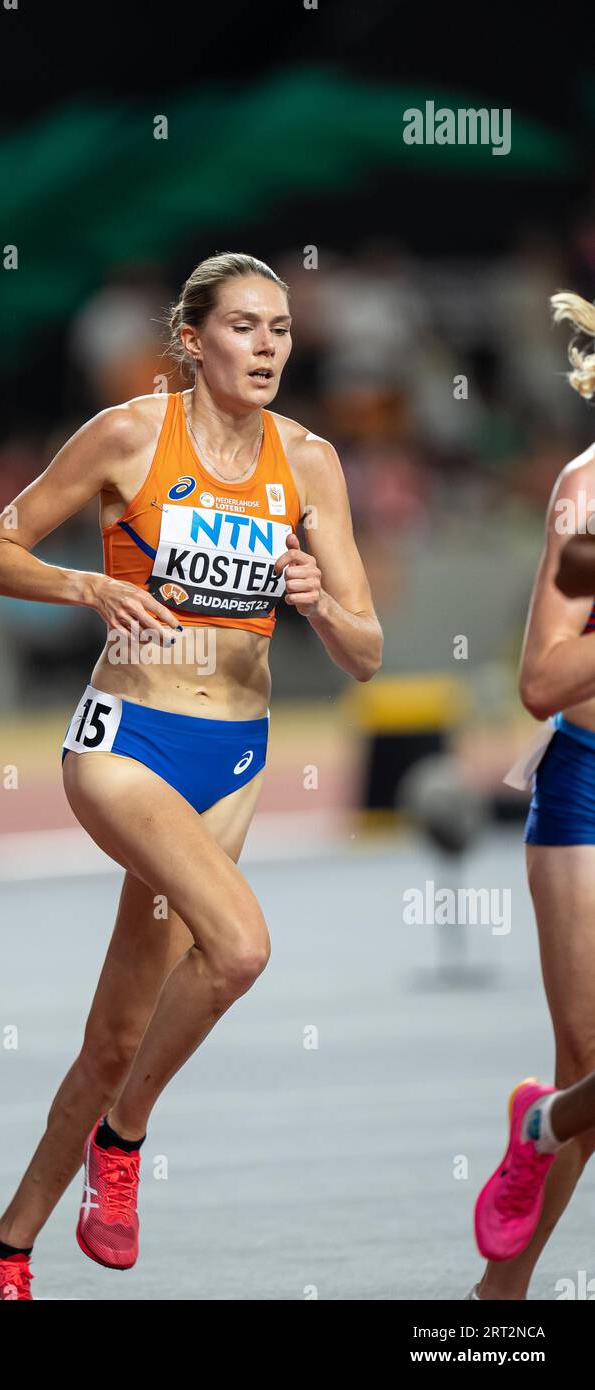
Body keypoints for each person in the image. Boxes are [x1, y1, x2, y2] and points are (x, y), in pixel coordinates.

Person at [0, 252, 382, 1300]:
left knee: (115, 1032)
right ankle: (124, 1139)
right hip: (125, 741)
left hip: (233, 756)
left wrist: (318, 602)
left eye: (280, 329)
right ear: (190, 339)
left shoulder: (310, 462)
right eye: (243, 327)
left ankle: (6, 1246)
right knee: (239, 947)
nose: (266, 347)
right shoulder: (128, 434)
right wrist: (87, 585)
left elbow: (366, 650)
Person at [469, 290, 595, 1296]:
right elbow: (542, 681)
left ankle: (542, 1123)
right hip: (585, 789)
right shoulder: (583, 492)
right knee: (589, 1052)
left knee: (583, 1086)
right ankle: (504, 1298)